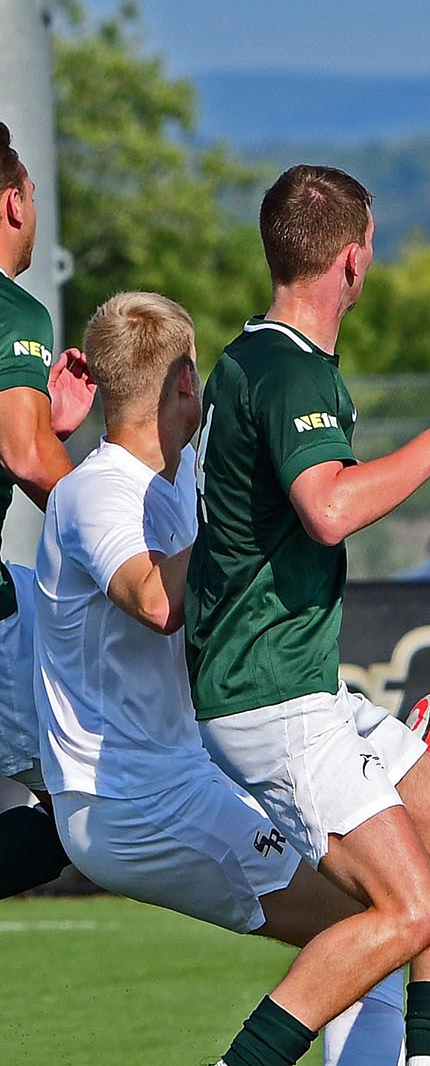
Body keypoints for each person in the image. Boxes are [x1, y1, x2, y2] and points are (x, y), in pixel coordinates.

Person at [34, 290, 412, 1066]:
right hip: (133, 801)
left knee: (386, 916)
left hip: (178, 776)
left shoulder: (182, 474)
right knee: (379, 917)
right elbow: (153, 599)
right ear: (184, 383)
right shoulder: (96, 490)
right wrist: (242, 517)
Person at [187, 165, 430, 1066]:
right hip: (272, 699)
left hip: (296, 690)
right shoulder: (292, 372)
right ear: (353, 259)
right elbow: (326, 507)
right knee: (409, 909)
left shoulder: (248, 355)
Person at [0, 120, 94, 898]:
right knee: (85, 797)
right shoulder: (13, 312)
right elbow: (28, 460)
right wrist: (127, 534)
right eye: (31, 190)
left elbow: (24, 443)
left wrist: (39, 422)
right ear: (13, 205)